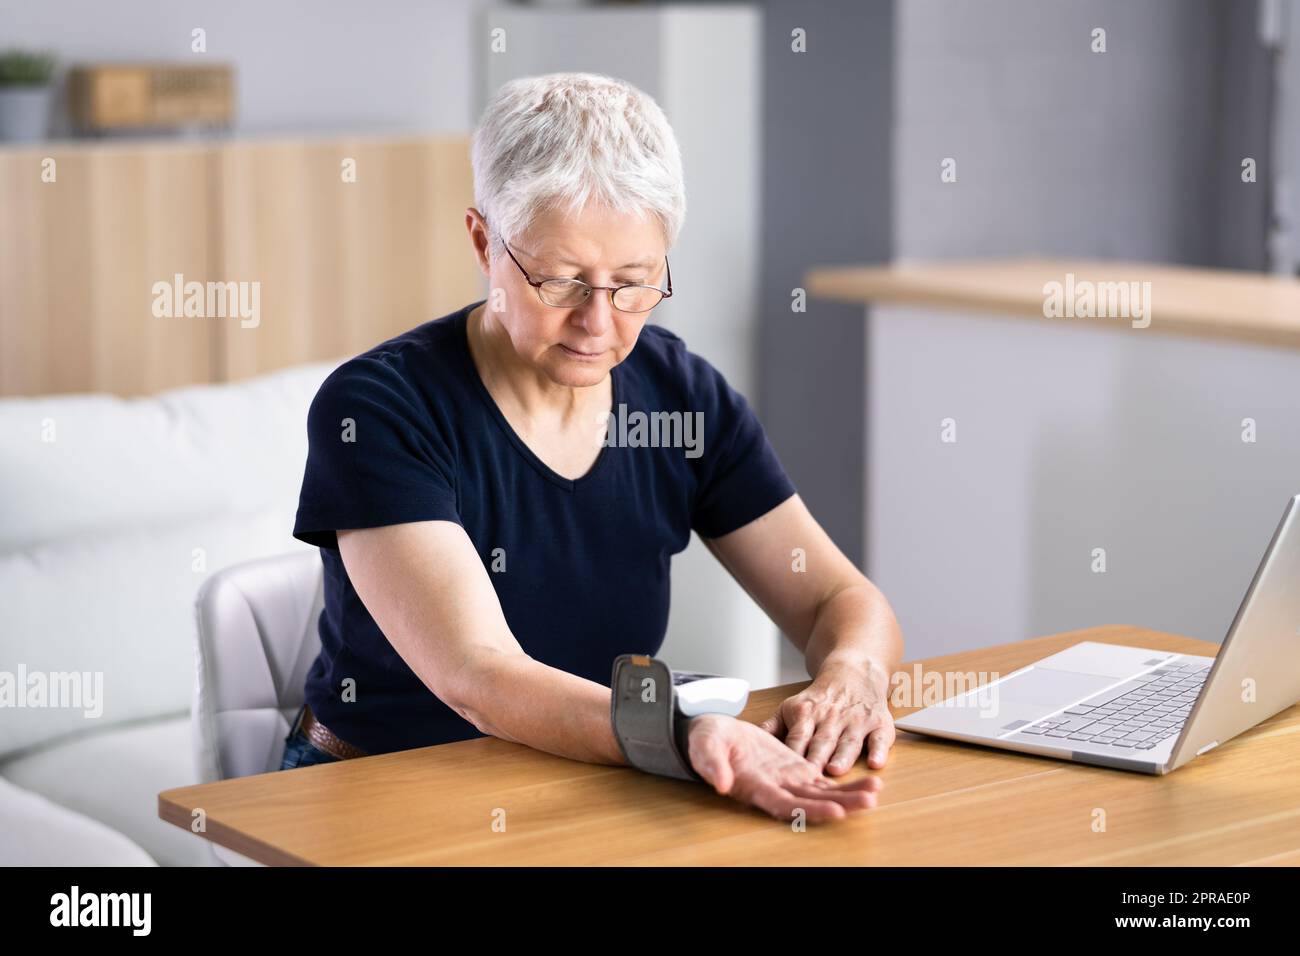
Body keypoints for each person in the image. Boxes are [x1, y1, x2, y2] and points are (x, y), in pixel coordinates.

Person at [283, 72, 903, 823]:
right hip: (383, 790)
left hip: (588, 780)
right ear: (484, 242)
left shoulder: (681, 395)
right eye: (562, 283)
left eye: (635, 283)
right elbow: (477, 675)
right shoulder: (380, 409)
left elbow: (835, 597)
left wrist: (851, 675)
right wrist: (678, 735)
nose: (599, 324)